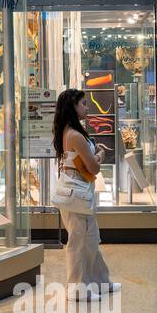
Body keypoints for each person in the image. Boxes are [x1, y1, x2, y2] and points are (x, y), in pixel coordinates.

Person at [52, 88, 119, 300]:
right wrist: (99, 155)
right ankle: (78, 288)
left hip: (80, 190)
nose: (87, 108)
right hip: (77, 192)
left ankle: (99, 281)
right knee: (80, 240)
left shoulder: (69, 131)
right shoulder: (74, 135)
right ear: (73, 106)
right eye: (83, 104)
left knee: (90, 238)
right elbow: (93, 168)